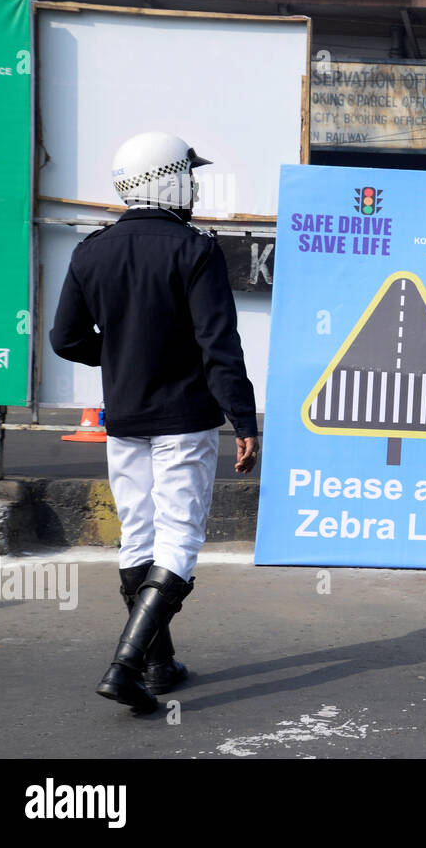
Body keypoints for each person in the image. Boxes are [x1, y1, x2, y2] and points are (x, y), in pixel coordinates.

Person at [50, 131, 260, 715]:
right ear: (165, 178)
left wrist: (118, 355)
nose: (194, 184)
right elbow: (219, 344)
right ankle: (124, 666)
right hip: (184, 421)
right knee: (180, 538)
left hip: (124, 418)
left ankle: (159, 663)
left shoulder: (90, 252)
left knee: (138, 536)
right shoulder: (195, 249)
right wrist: (243, 419)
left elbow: (65, 338)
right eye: (188, 174)